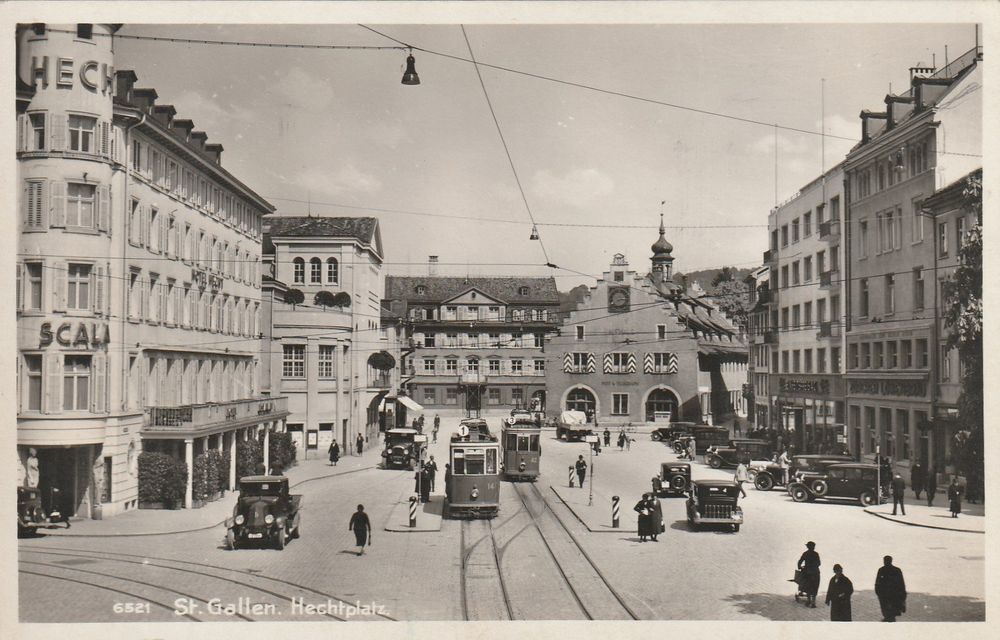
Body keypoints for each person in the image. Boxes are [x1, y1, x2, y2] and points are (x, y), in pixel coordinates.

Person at [874, 555, 906, 622]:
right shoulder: (896, 570)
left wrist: (878, 592)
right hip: (893, 595)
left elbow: (877, 583)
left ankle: (888, 621)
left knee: (887, 611)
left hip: (886, 595)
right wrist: (902, 595)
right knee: (891, 611)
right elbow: (901, 583)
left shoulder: (882, 570)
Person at [797, 541, 821, 608]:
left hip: (808, 573)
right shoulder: (816, 554)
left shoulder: (805, 553)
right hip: (815, 573)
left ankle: (809, 601)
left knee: (808, 586)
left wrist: (800, 567)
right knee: (815, 587)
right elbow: (819, 563)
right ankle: (812, 602)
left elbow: (800, 561)